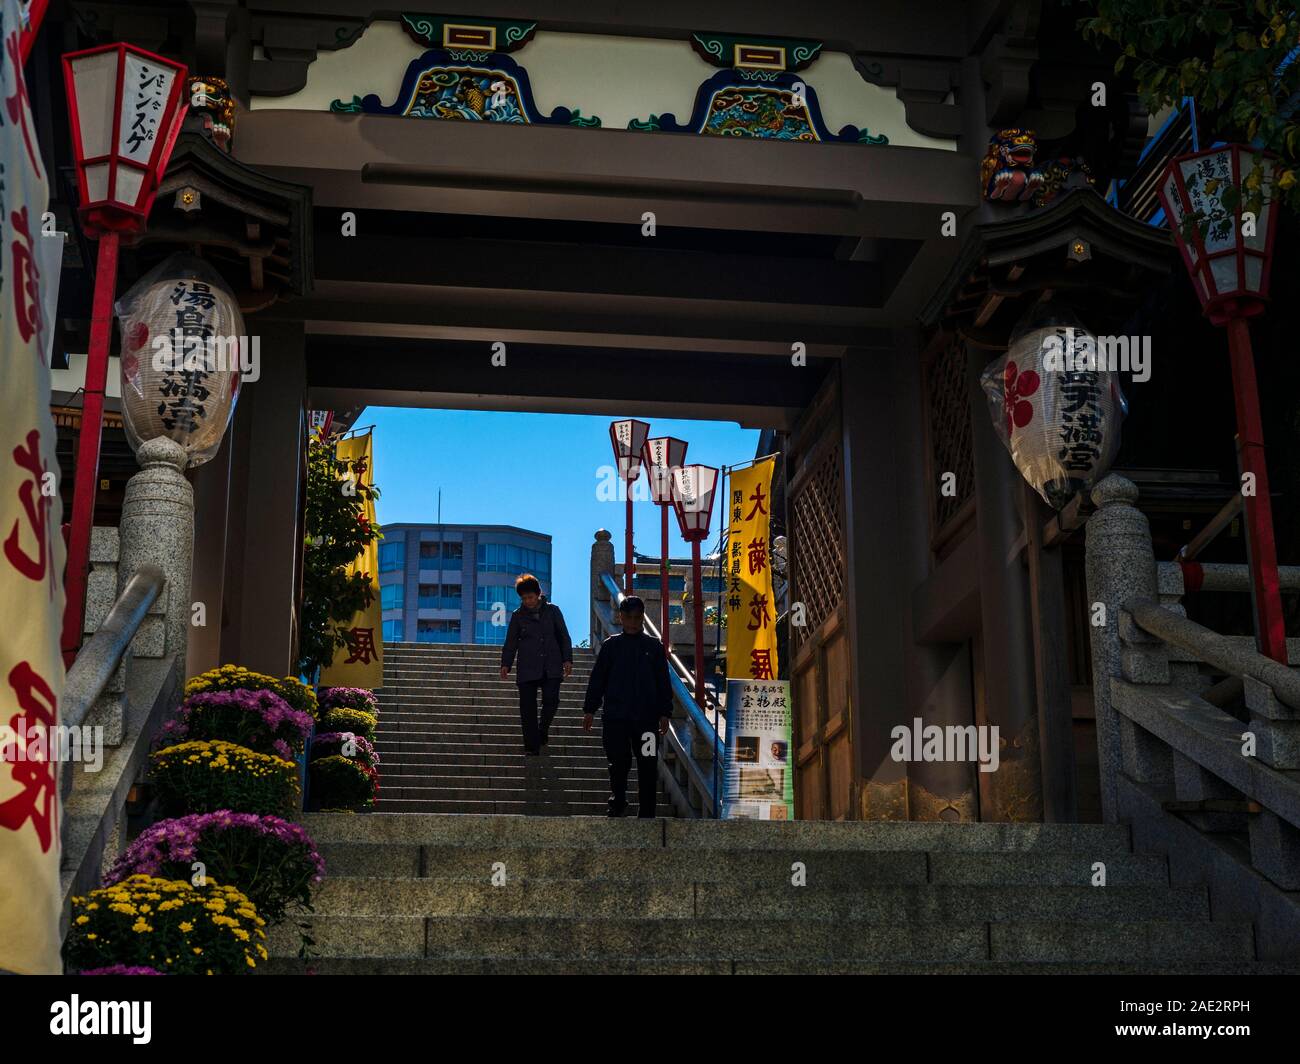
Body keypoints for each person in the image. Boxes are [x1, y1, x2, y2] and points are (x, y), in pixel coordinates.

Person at [582, 596, 671, 818]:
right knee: (618, 762)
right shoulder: (611, 646)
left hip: (647, 720)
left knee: (648, 764)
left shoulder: (654, 647)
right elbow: (598, 680)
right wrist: (590, 709)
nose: (632, 622)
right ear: (620, 617)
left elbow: (663, 682)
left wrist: (665, 712)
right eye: (628, 617)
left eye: (637, 617)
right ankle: (618, 802)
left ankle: (647, 809)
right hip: (616, 718)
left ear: (642, 617)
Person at [500, 573, 573, 755]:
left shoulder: (553, 611)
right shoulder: (518, 616)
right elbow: (511, 642)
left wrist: (567, 659)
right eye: (524, 598)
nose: (528, 601)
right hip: (527, 668)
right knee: (527, 709)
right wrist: (506, 664)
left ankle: (542, 729)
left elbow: (563, 636)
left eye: (530, 597)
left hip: (551, 664)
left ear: (539, 594)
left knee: (551, 701)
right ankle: (531, 747)